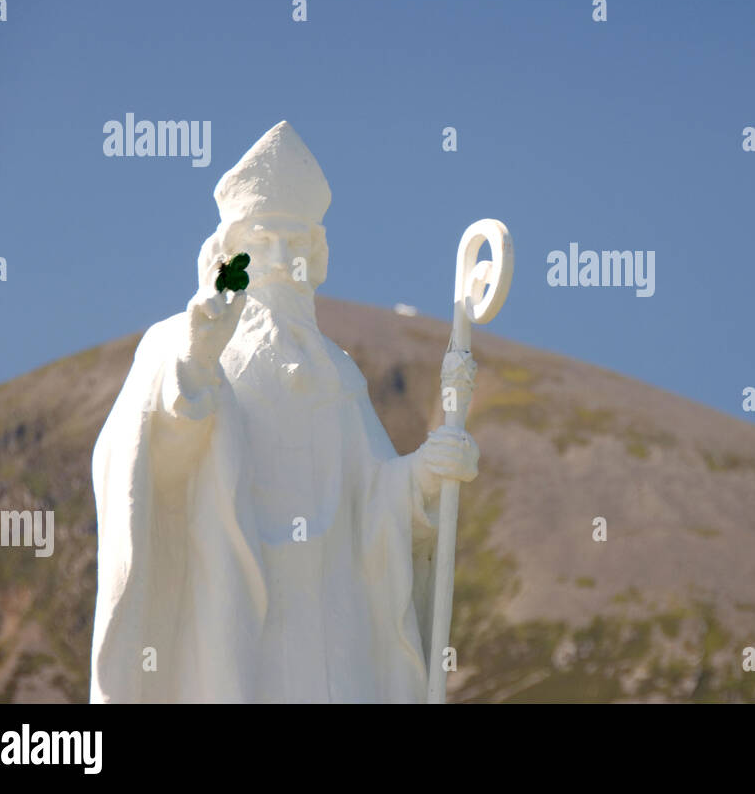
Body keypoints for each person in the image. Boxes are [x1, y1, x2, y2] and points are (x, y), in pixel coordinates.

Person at [90, 121, 476, 702]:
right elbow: (151, 462)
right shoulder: (182, 342)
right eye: (265, 240)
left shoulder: (336, 372)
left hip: (335, 633)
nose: (282, 259)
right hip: (239, 628)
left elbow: (369, 499)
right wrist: (196, 358)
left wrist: (423, 475)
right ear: (230, 253)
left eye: (297, 244)